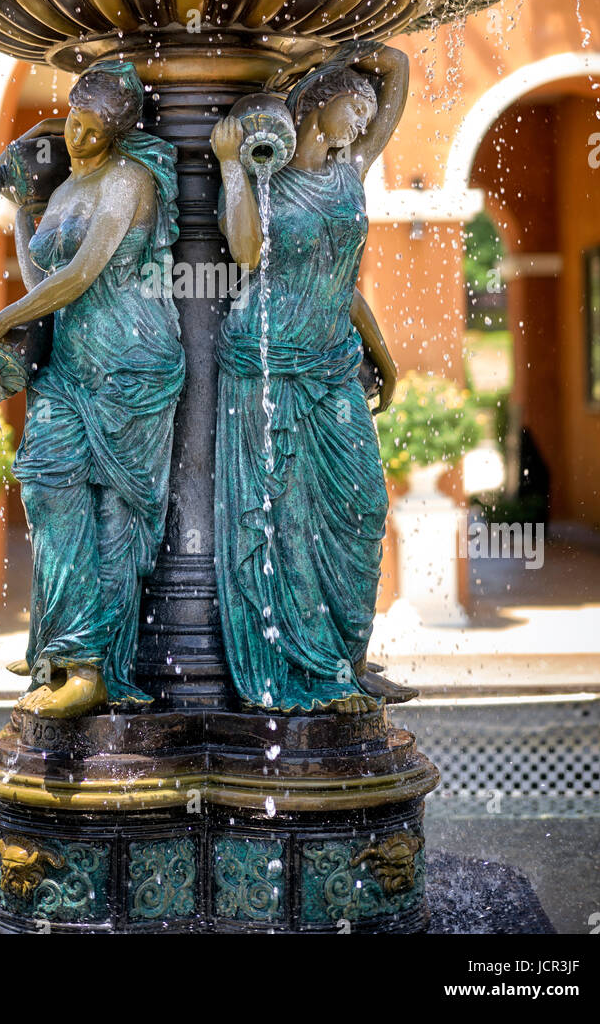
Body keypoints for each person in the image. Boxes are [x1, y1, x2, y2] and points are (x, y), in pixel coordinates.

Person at [0, 60, 184, 716]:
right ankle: (60, 640)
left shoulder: (129, 180)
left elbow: (86, 273)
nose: (80, 139)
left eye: (96, 131)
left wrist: (1, 320)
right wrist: (23, 204)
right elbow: (43, 276)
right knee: (47, 481)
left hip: (131, 362)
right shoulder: (66, 188)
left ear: (119, 133)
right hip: (70, 362)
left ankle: (92, 669)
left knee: (115, 513)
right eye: (75, 124)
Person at [210, 46, 414, 713]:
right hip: (265, 361)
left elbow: (397, 69)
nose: (361, 122)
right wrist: (230, 168)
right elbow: (243, 254)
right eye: (350, 107)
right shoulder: (261, 178)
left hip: (331, 362)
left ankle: (351, 660)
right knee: (280, 519)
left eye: (363, 110)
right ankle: (315, 668)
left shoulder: (350, 172)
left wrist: (380, 354)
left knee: (362, 508)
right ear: (317, 102)